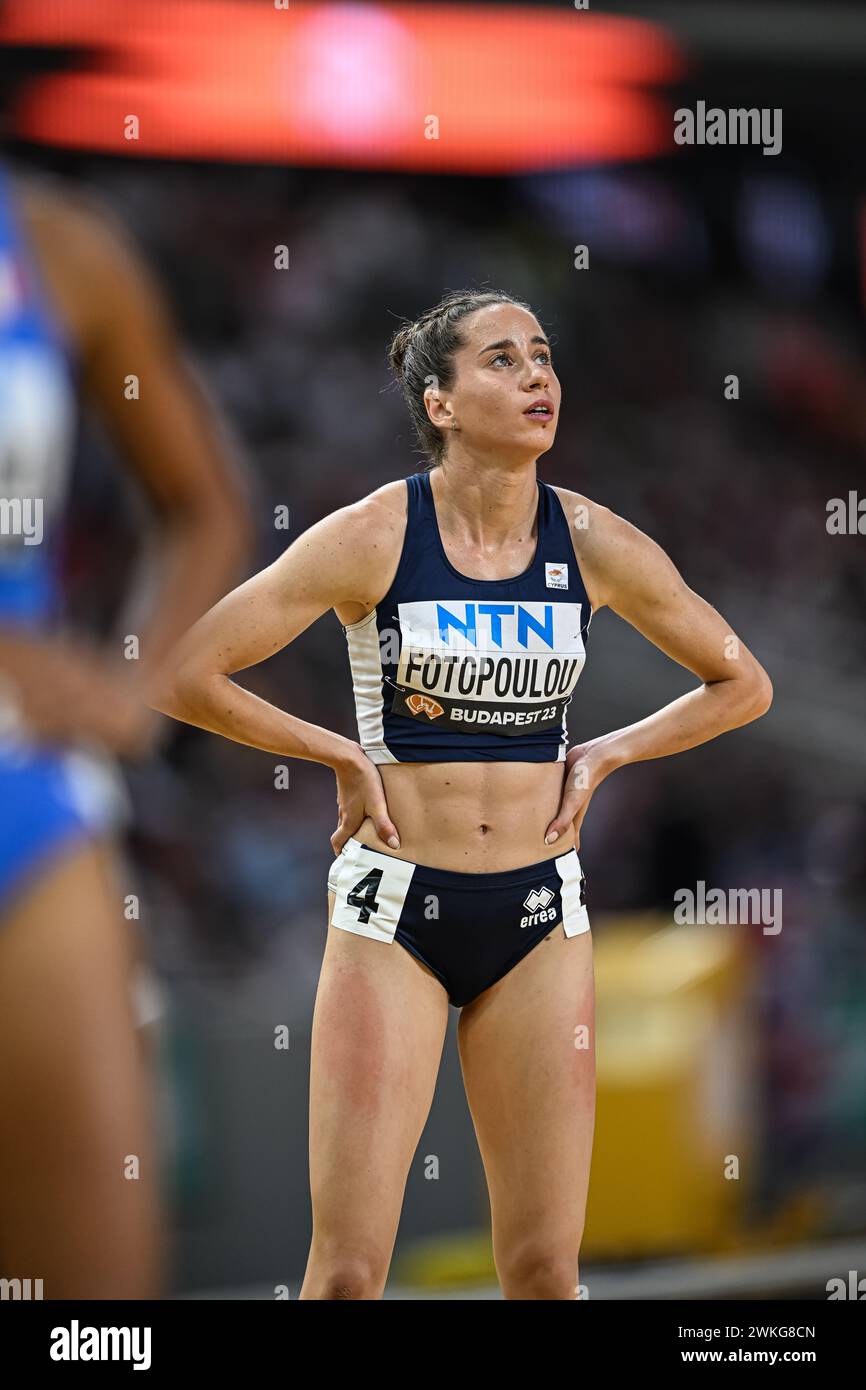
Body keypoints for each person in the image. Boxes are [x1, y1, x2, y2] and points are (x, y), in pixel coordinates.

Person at [151, 289, 772, 1300]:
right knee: (349, 1273)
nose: (536, 376)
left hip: (536, 912)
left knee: (541, 1270)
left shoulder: (593, 541)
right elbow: (187, 669)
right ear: (437, 402)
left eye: (542, 356)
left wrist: (608, 752)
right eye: (501, 359)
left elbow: (742, 681)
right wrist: (340, 755)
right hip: (392, 908)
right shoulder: (371, 535)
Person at [0, 156, 253, 1298]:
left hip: (22, 803)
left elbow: (205, 506)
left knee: (93, 1315)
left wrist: (137, 685)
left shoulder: (57, 248)